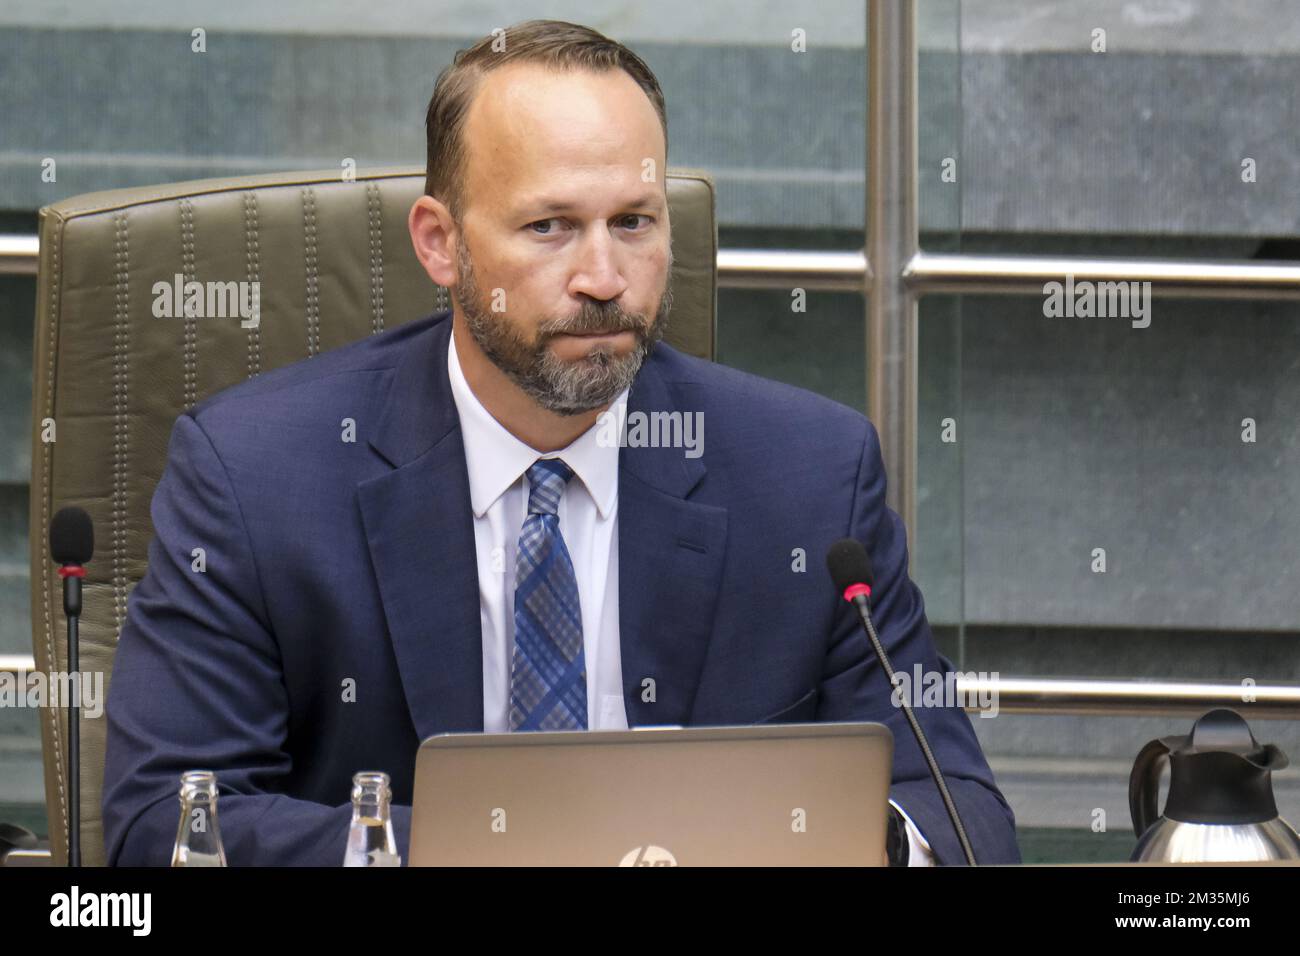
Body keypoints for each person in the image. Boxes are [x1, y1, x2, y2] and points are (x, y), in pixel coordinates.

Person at [103, 19, 1019, 866]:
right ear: (441, 244)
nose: (604, 278)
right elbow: (163, 825)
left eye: (634, 222)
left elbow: (959, 815)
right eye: (550, 227)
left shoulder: (812, 477)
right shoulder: (256, 476)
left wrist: (793, 838)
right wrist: (512, 848)